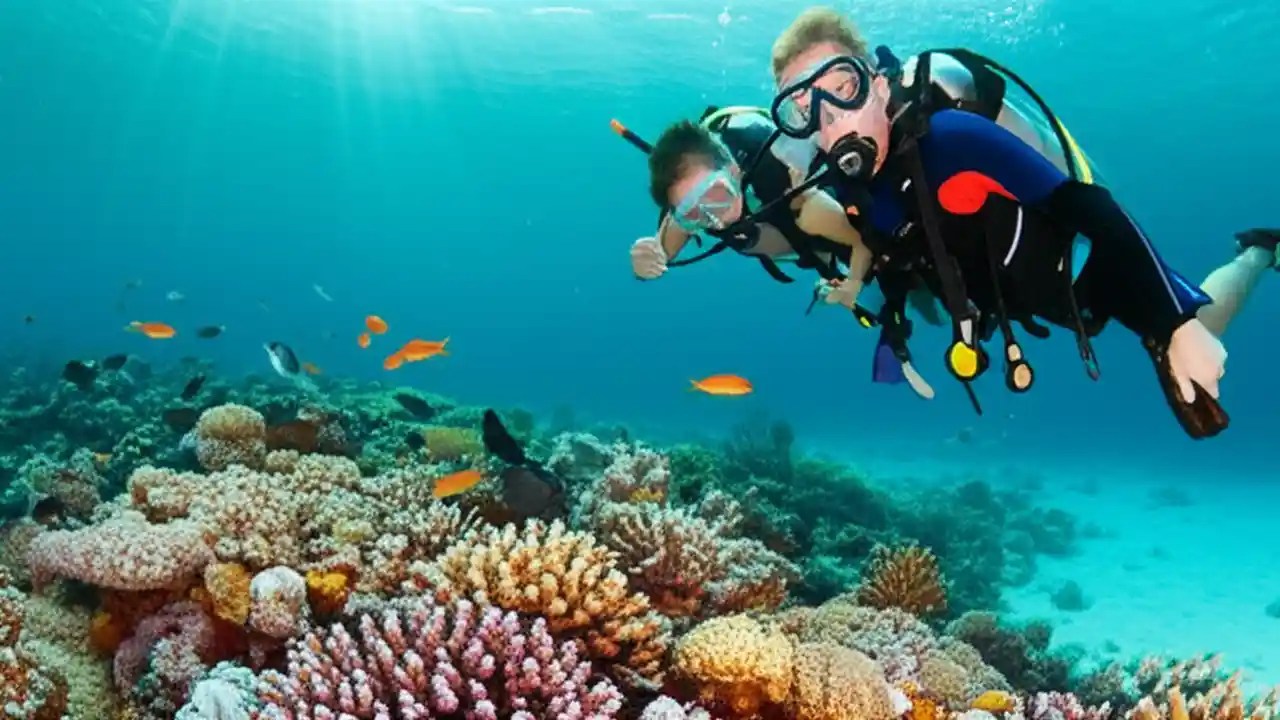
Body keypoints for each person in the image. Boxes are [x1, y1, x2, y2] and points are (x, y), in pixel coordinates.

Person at [764, 7, 1278, 438]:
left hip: (1082, 265)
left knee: (1201, 332)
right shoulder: (850, 191)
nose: (830, 118)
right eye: (804, 109)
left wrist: (1176, 321)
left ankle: (1259, 251)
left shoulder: (950, 139)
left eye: (841, 87)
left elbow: (1091, 207)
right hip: (1011, 296)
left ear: (877, 87)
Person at [623, 106, 939, 397]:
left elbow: (861, 239)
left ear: (733, 170)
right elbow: (664, 248)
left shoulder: (784, 175)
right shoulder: (695, 203)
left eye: (716, 196)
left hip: (842, 233)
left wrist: (853, 283)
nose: (714, 218)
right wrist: (646, 260)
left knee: (906, 274)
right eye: (694, 214)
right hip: (803, 247)